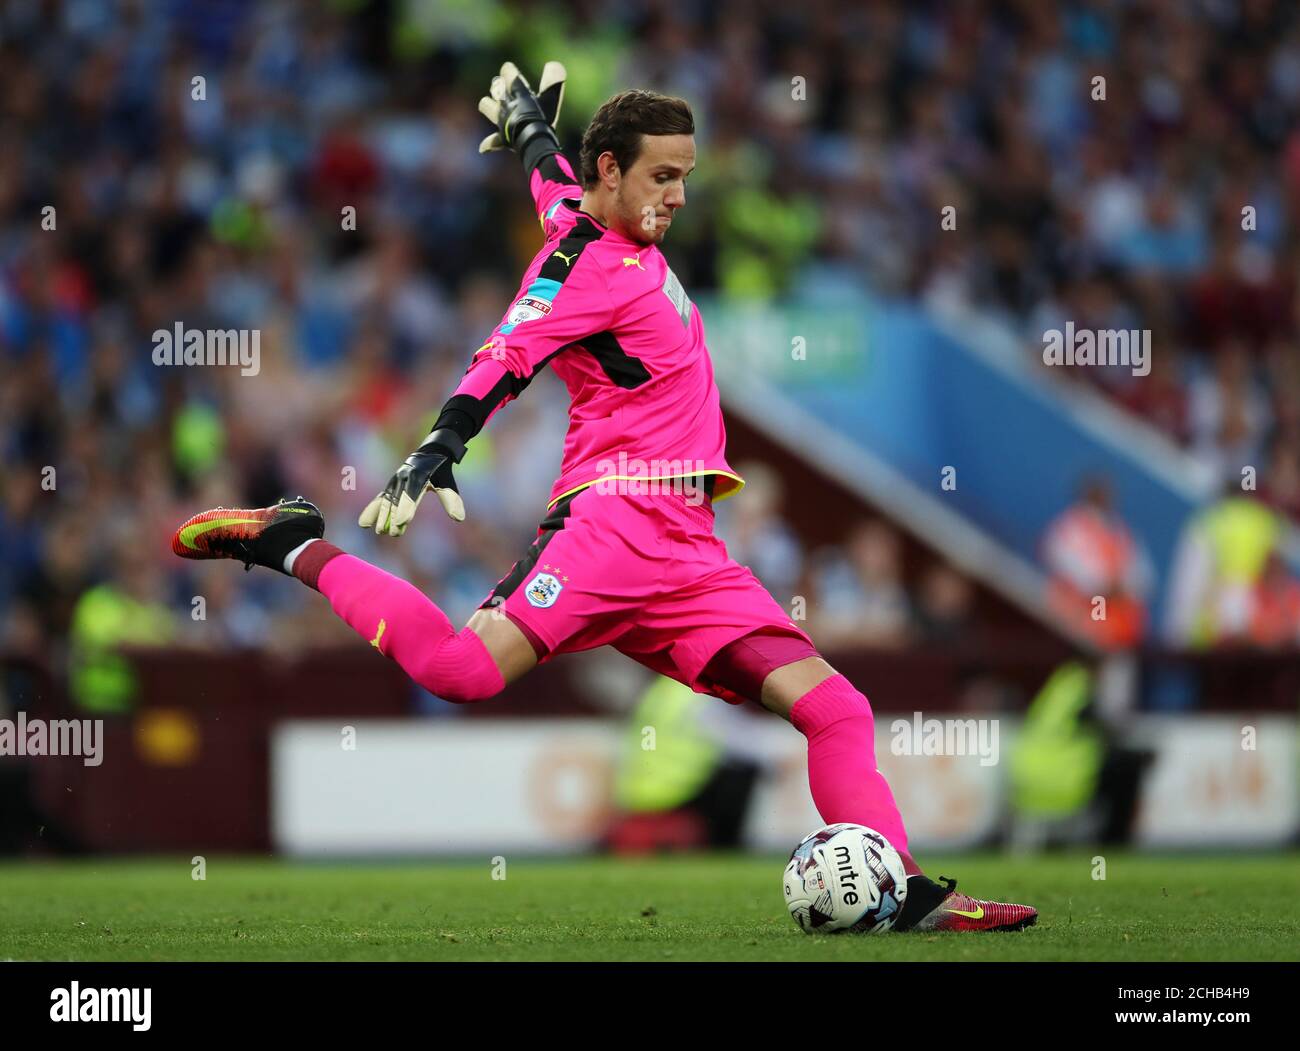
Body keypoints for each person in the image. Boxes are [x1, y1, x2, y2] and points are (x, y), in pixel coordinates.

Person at [170, 63, 1034, 932]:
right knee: (462, 673)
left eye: (687, 176)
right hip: (611, 526)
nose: (680, 196)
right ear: (614, 173)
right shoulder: (578, 263)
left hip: (690, 549)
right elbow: (506, 352)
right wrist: (441, 441)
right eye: (664, 175)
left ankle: (913, 894)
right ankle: (292, 543)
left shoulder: (597, 219)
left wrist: (530, 135)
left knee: (835, 706)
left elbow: (557, 190)